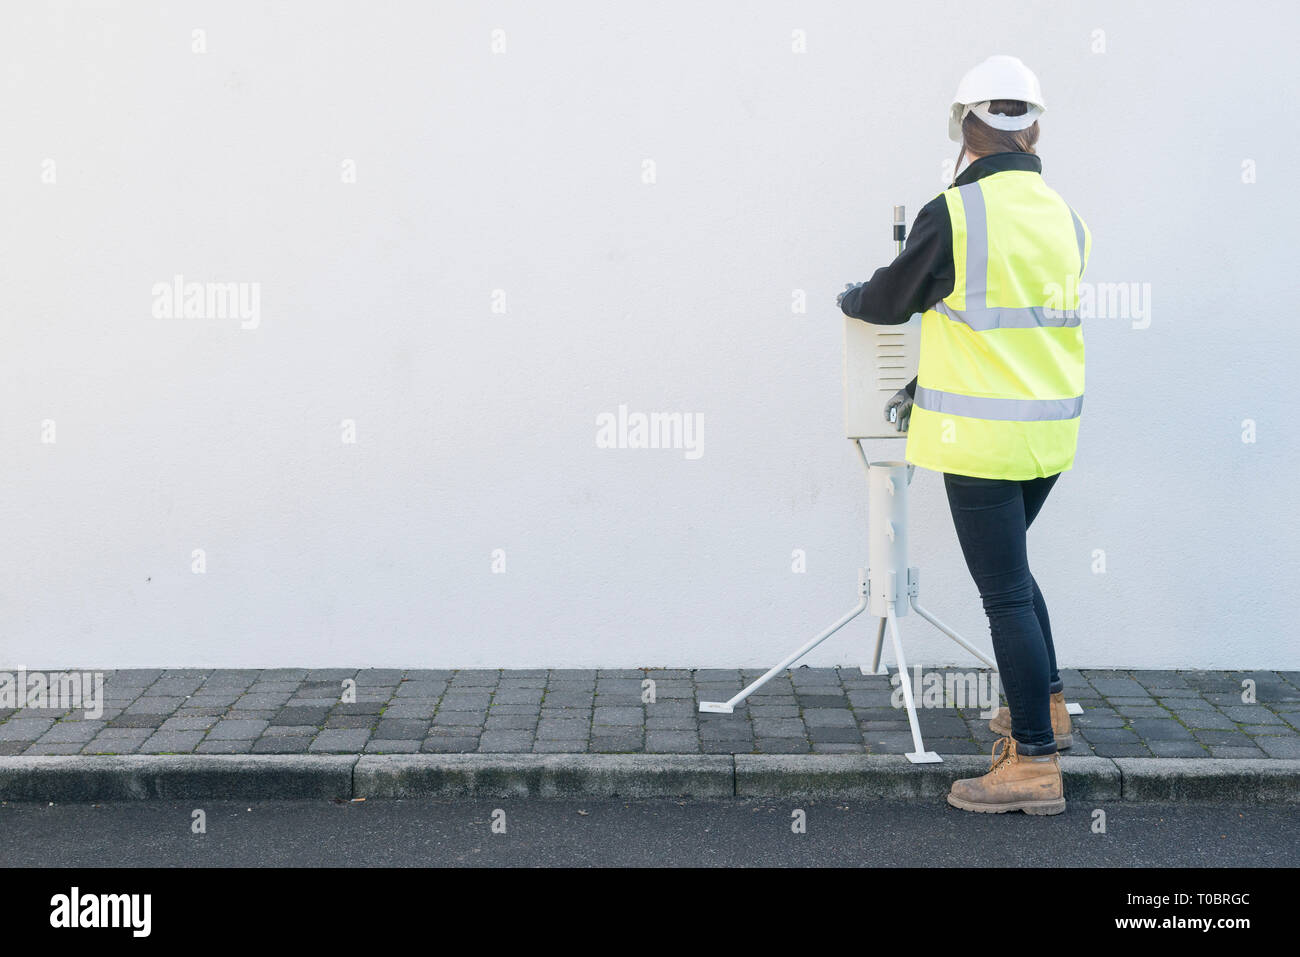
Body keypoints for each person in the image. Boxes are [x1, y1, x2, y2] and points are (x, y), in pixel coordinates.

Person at [838, 55, 1090, 815]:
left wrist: (851, 294)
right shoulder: (1064, 215)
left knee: (1004, 592)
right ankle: (1045, 707)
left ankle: (1034, 767)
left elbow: (889, 301)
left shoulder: (954, 212)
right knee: (1017, 575)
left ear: (964, 127)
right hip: (1048, 436)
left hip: (982, 439)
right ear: (1033, 128)